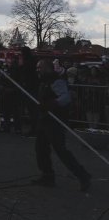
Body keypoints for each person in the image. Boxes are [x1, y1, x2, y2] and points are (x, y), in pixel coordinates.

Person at [31, 59, 90, 191]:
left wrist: (52, 104)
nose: (37, 70)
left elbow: (65, 98)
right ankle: (47, 176)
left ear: (47, 68)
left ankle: (83, 175)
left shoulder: (56, 81)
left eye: (39, 68)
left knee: (61, 150)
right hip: (45, 120)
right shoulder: (44, 81)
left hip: (55, 121)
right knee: (41, 149)